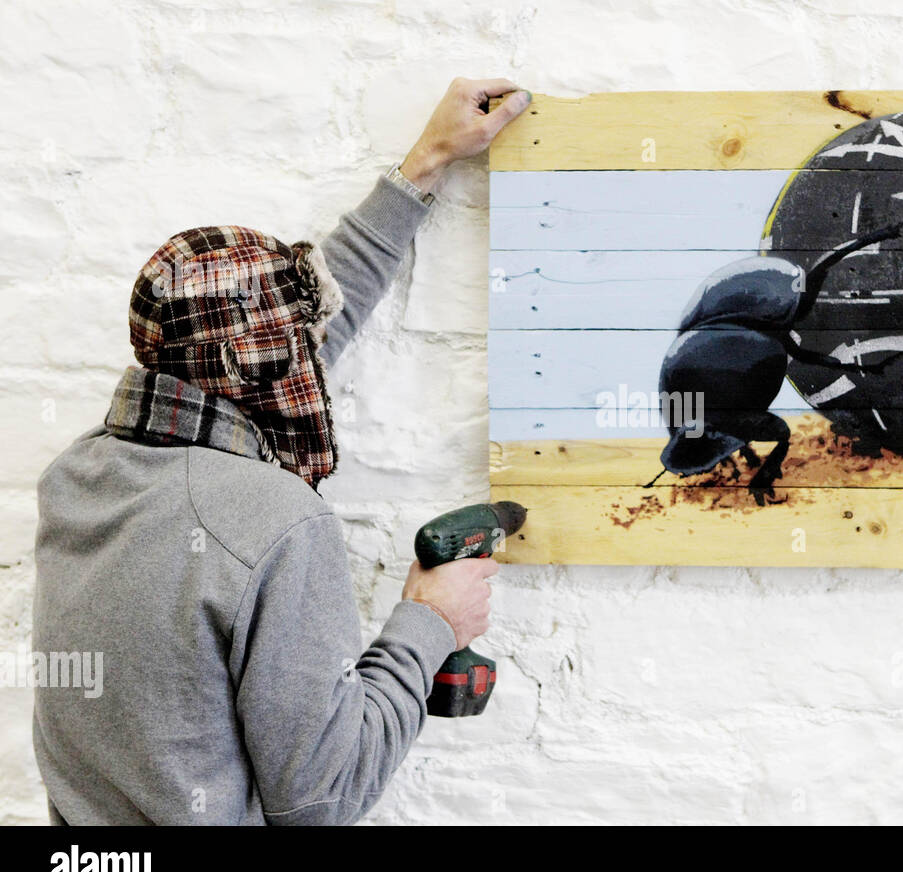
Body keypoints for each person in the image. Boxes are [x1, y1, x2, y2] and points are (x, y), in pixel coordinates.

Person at [30, 77, 532, 825]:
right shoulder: (275, 522)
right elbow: (319, 802)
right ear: (265, 369)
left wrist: (427, 160)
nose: (310, 354)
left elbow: (299, 326)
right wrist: (429, 619)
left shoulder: (77, 474)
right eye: (296, 343)